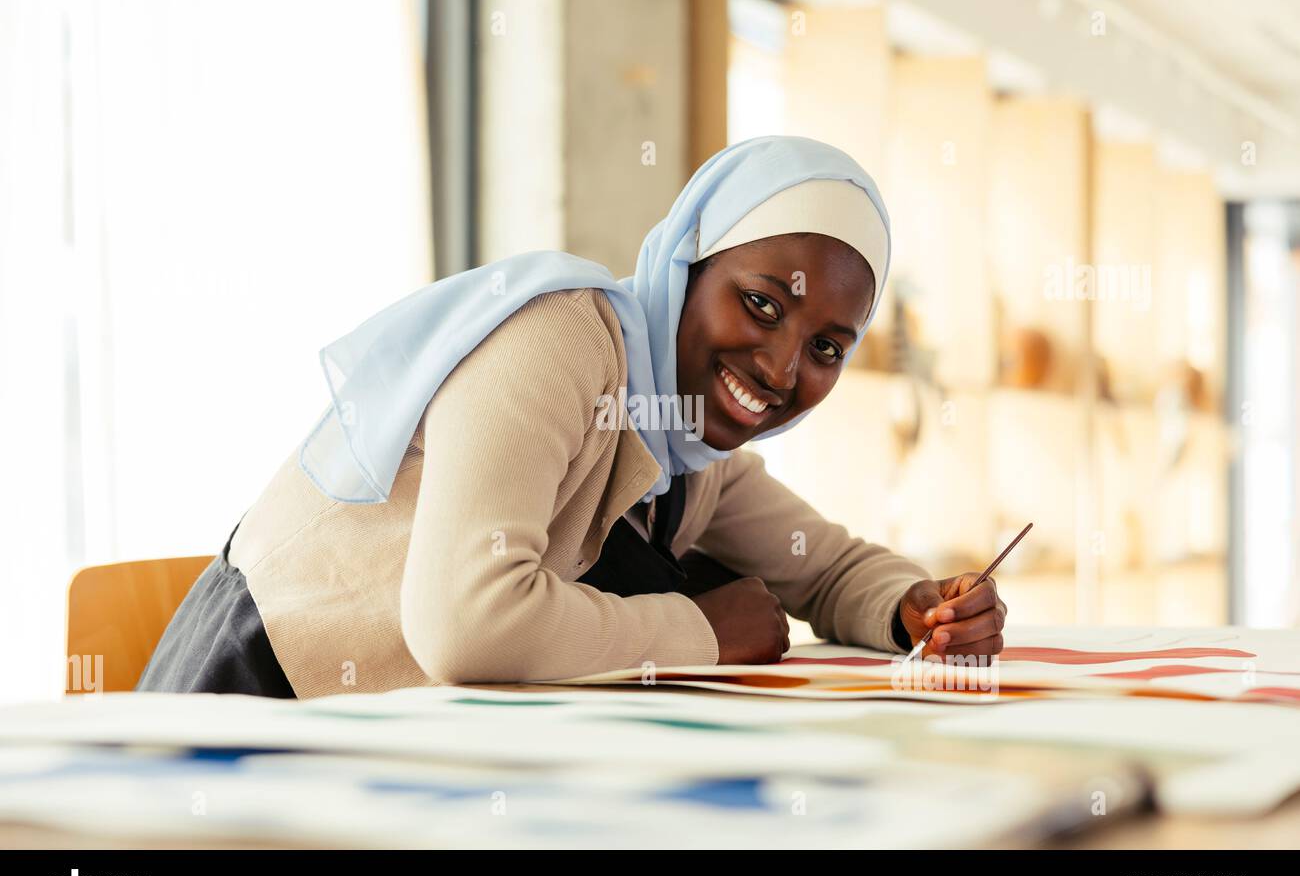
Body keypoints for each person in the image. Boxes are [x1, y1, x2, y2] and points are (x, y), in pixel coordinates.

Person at [137, 135, 1007, 700]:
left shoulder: (685, 446)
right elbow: (465, 622)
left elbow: (821, 569)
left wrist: (914, 608)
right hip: (254, 710)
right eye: (761, 304)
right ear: (685, 263)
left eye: (827, 348)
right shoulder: (561, 340)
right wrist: (700, 632)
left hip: (382, 742)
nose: (782, 370)